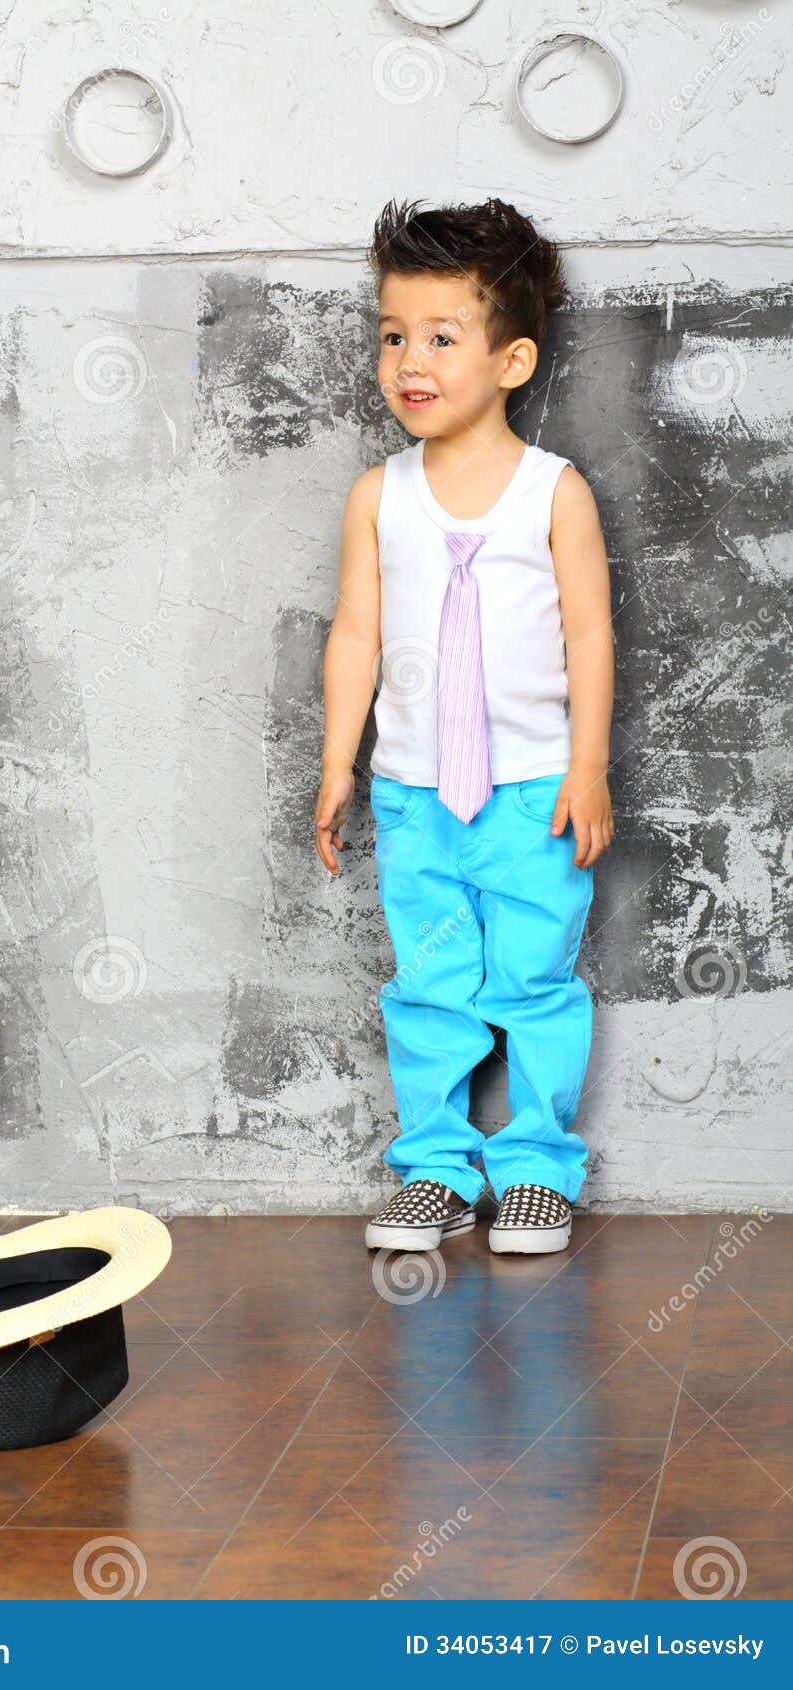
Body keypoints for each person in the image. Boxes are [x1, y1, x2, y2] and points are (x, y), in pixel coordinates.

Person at [316, 197, 614, 1257]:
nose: (409, 360)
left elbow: (588, 637)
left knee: (533, 979)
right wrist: (336, 765)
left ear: (512, 359)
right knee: (428, 984)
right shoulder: (376, 496)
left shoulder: (552, 493)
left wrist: (587, 770)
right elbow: (356, 634)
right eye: (393, 334)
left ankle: (534, 1167)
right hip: (411, 792)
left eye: (442, 337)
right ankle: (434, 1166)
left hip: (531, 786)